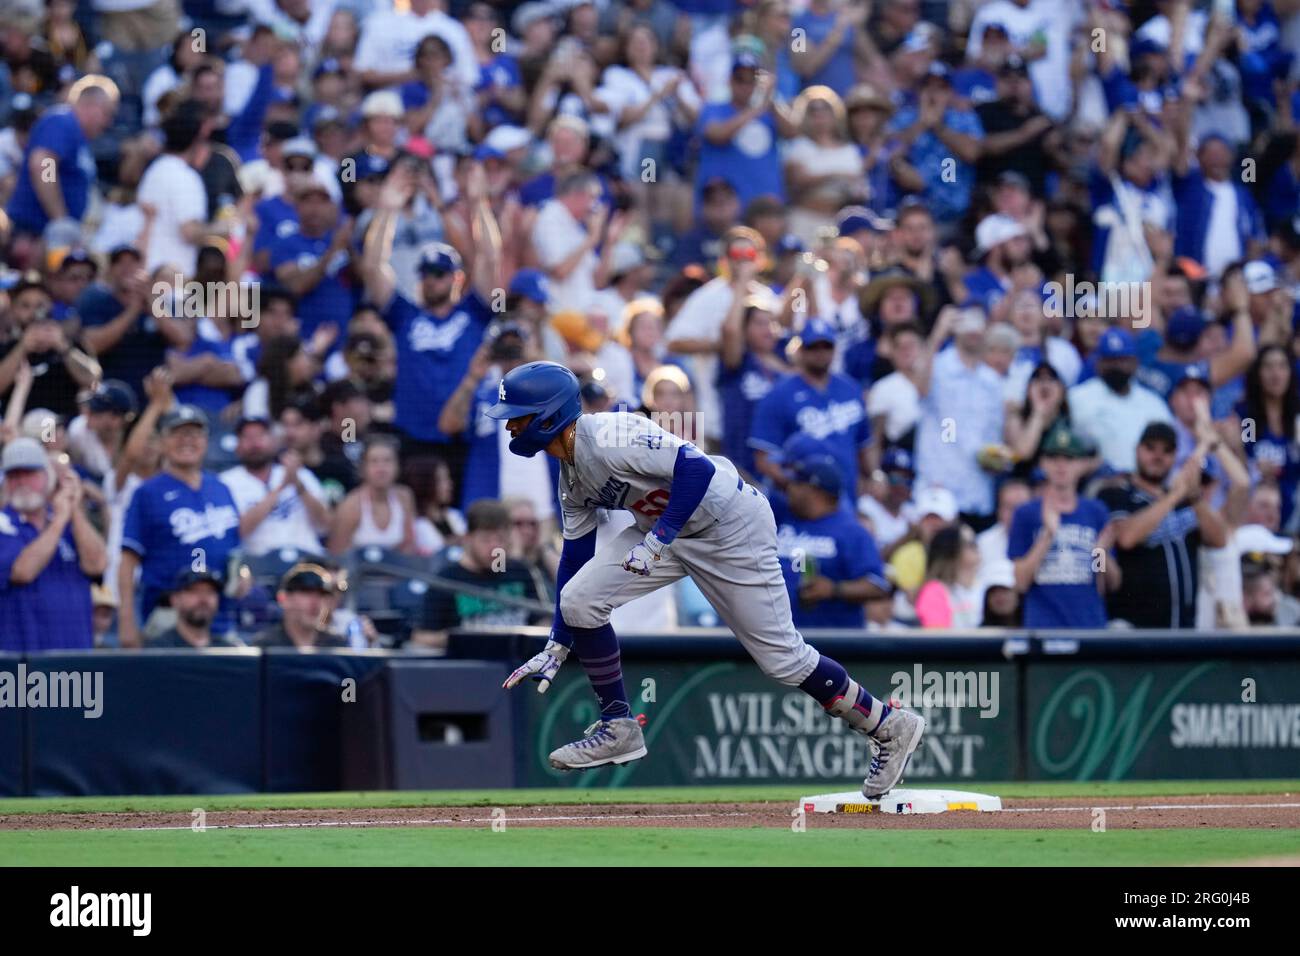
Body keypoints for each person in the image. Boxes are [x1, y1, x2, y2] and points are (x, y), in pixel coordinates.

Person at [489, 360, 925, 798]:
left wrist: (658, 540)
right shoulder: (570, 475)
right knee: (579, 599)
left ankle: (889, 726)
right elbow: (576, 557)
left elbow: (696, 469)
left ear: (548, 415)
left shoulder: (609, 433)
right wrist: (558, 641)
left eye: (517, 417)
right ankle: (619, 725)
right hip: (666, 531)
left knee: (784, 659)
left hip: (729, 526)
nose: (509, 427)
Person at [118, 405, 242, 646]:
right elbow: (127, 562)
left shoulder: (221, 488)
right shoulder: (147, 493)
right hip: (168, 615)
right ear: (162, 442)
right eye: (178, 434)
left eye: (194, 434)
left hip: (218, 613)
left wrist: (243, 575)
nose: (187, 441)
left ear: (206, 441)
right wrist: (126, 620)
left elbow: (235, 549)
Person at [1098, 423, 1230, 628]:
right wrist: (1174, 495)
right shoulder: (1118, 493)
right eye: (1150, 448)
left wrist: (1194, 496)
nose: (1158, 456)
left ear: (1175, 456)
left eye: (1167, 450)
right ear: (1137, 449)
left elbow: (1219, 540)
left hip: (1183, 631)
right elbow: (1126, 538)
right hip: (1135, 632)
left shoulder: (1187, 502)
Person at [1008, 424, 1121, 629]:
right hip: (1043, 632)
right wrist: (1048, 536)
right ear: (1043, 463)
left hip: (1089, 629)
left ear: (1081, 464)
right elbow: (1020, 583)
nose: (1061, 466)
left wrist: (1100, 554)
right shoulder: (1025, 513)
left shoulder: (1095, 511)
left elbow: (1109, 585)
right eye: (1053, 458)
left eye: (1069, 458)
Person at [0, 438, 106, 651]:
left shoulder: (70, 522)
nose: (22, 482)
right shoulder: (4, 523)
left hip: (77, 659)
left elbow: (97, 564)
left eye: (30, 474)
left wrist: (74, 508)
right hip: (23, 666)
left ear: (47, 478)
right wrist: (60, 519)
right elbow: (22, 572)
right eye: (14, 476)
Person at [748, 318, 870, 501]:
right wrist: (797, 489)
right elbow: (764, 459)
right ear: (801, 350)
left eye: (826, 346)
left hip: (847, 496)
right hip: (802, 503)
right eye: (813, 347)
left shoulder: (850, 388)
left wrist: (871, 477)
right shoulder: (779, 394)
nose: (820, 353)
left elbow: (864, 445)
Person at [771, 453, 890, 630]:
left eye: (796, 483)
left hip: (829, 643)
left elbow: (877, 586)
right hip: (777, 639)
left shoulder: (852, 532)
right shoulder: (781, 519)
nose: (789, 489)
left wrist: (835, 589)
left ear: (815, 491)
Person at [410, 499, 547, 647]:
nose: (494, 547)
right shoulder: (447, 579)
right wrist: (463, 639)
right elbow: (421, 637)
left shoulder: (519, 571)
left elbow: (543, 620)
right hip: (471, 664)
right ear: (468, 538)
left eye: (500, 539)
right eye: (486, 540)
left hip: (520, 662)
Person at [220, 416, 331, 557]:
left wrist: (298, 485)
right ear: (237, 445)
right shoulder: (226, 482)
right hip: (260, 566)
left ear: (273, 441)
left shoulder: (299, 473)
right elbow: (239, 532)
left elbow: (326, 524)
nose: (255, 444)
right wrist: (280, 489)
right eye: (247, 437)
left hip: (307, 559)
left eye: (261, 436)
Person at [1068, 327, 1173, 473]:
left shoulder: (1154, 403)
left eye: (1122, 360)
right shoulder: (1077, 398)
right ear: (1099, 364)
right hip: (1100, 482)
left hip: (1147, 483)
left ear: (1134, 363)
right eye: (1110, 360)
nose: (1116, 366)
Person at [328, 436, 416, 555]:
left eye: (387, 461)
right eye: (374, 462)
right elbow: (336, 554)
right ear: (363, 469)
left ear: (397, 466)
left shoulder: (404, 497)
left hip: (398, 570)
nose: (381, 469)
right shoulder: (350, 506)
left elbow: (410, 546)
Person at [253, 563, 349, 648]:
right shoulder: (266, 645)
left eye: (322, 595)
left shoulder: (336, 645)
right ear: (284, 599)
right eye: (306, 593)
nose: (316, 603)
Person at [147, 569, 243, 648]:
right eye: (194, 591)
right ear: (174, 599)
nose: (203, 599)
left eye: (210, 592)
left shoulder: (227, 650)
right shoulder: (158, 650)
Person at [915, 524, 983, 629]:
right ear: (951, 550)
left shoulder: (985, 585)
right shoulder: (934, 591)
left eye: (975, 542)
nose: (976, 548)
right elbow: (938, 636)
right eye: (970, 544)